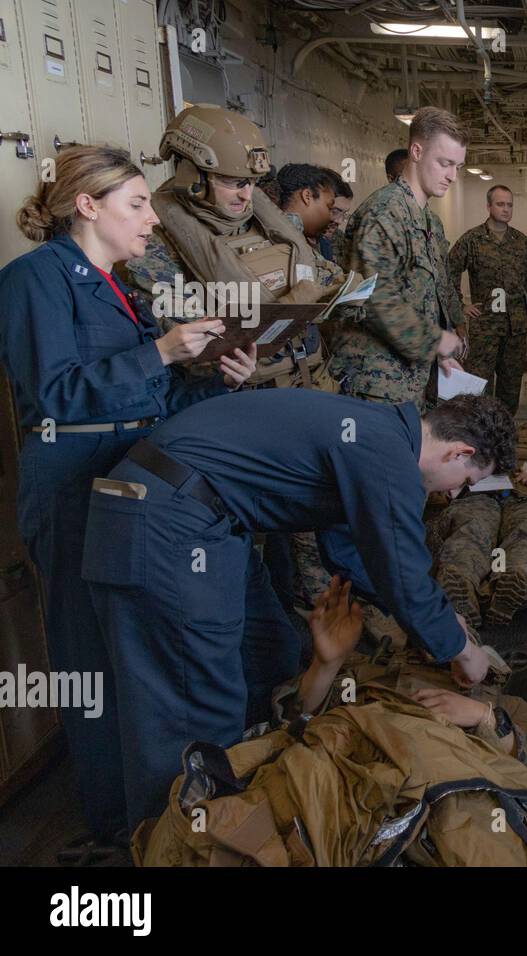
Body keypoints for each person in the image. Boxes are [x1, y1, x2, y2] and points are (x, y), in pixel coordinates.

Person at [80, 390, 512, 829]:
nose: (455, 492)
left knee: (270, 648)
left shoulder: (376, 432)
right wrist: (462, 650)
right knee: (194, 703)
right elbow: (403, 573)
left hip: (198, 514)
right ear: (460, 451)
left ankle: (251, 781)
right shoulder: (388, 456)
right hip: (172, 521)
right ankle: (179, 844)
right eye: (465, 480)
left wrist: (435, 626)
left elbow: (353, 556)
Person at [0, 146, 257, 848]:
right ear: (87, 206)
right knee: (92, 661)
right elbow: (53, 393)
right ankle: (114, 825)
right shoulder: (33, 279)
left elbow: (152, 389)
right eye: (137, 204)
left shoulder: (118, 286)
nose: (151, 219)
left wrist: (216, 376)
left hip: (127, 479)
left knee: (138, 653)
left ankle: (159, 813)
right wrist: (164, 352)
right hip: (73, 485)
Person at [135, 578, 527, 867]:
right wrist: (326, 663)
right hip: (337, 764)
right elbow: (294, 722)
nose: (437, 635)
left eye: (455, 626)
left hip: (437, 778)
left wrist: (482, 717)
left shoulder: (502, 704)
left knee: (470, 833)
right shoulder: (364, 674)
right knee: (245, 821)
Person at [121, 105, 340, 393]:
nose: (247, 194)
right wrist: (296, 301)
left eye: (251, 183)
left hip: (314, 382)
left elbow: (328, 279)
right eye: (234, 182)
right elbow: (199, 350)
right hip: (246, 400)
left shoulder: (267, 224)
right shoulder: (153, 247)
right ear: (193, 175)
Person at [330, 107, 466, 409]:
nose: (452, 176)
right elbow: (375, 298)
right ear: (416, 151)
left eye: (458, 166)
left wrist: (437, 356)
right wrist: (435, 341)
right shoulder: (385, 212)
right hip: (376, 382)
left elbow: (422, 297)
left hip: (408, 377)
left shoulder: (427, 219)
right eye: (445, 163)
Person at [434, 424, 527, 627]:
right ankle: (460, 583)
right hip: (478, 497)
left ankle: (511, 581)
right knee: (470, 530)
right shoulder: (467, 452)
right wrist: (452, 486)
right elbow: (434, 484)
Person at [447, 184, 527, 415]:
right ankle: (481, 434)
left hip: (515, 328)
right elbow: (448, 273)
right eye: (500, 204)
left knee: (511, 385)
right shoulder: (472, 239)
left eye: (510, 204)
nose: (506, 209)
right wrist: (460, 307)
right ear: (488, 206)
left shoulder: (520, 241)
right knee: (480, 384)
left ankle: (505, 430)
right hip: (485, 328)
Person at [276, 163, 337, 246]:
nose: (332, 218)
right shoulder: (285, 242)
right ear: (307, 196)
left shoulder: (279, 233)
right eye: (329, 207)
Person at [317, 169, 352, 262]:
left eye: (344, 214)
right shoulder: (295, 242)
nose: (339, 221)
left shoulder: (336, 238)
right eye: (335, 211)